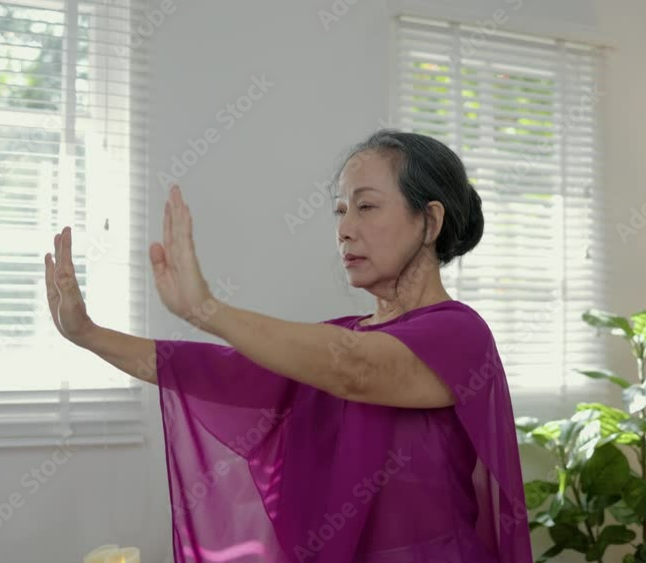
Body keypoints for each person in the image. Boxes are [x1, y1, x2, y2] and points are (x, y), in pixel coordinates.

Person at [44, 129, 533, 563]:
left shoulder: (458, 333)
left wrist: (208, 310)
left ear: (429, 221)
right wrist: (87, 334)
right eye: (340, 210)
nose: (344, 228)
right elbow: (210, 369)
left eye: (365, 206)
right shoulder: (338, 335)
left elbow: (355, 371)